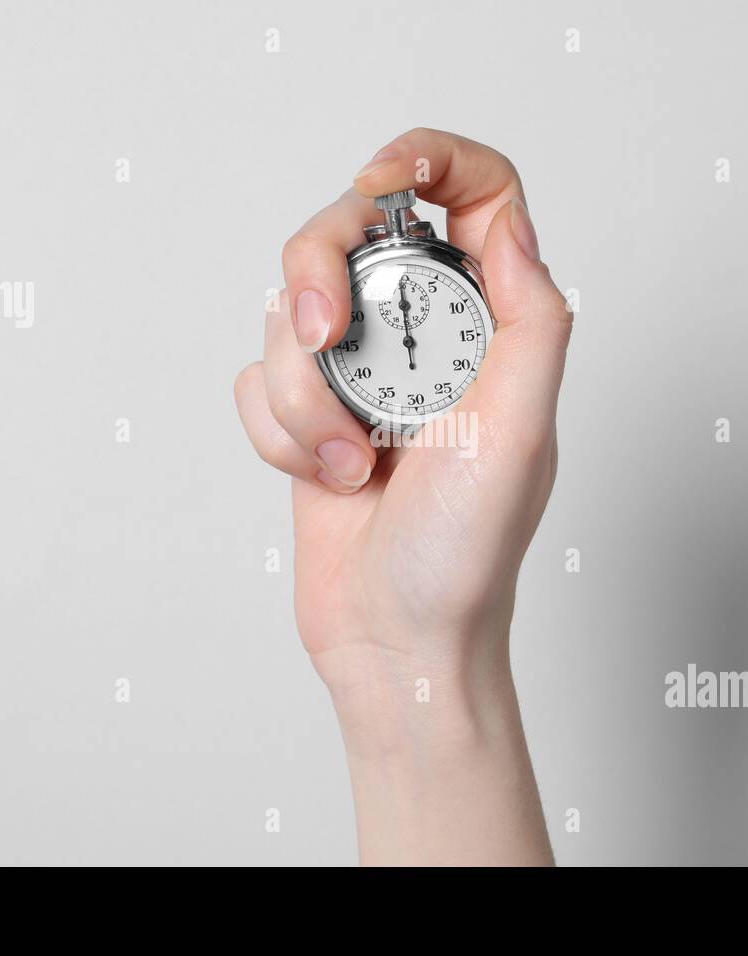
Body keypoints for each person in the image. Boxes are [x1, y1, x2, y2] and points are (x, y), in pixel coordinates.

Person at [233, 128, 571, 866]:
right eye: (384, 339)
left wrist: (427, 655)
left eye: (425, 331)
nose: (409, 346)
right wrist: (395, 668)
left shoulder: (471, 295)